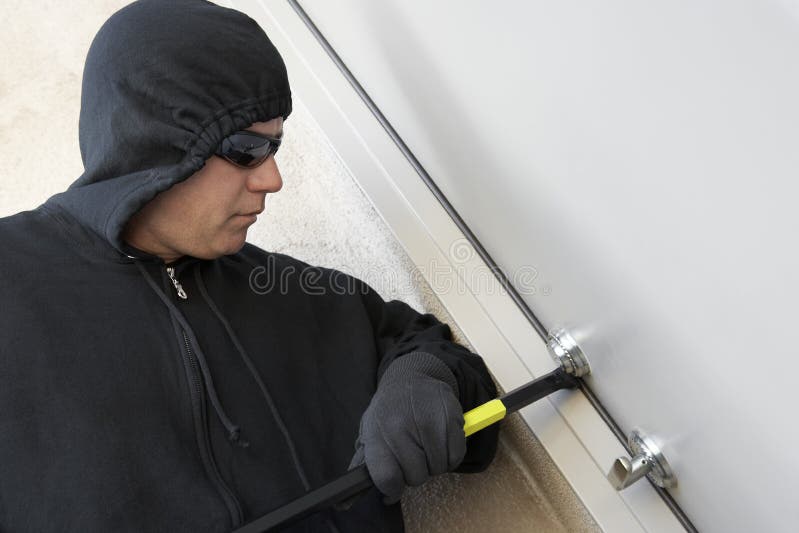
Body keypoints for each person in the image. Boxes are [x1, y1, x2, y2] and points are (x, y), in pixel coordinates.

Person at [0, 1, 499, 531]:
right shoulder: (12, 283)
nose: (272, 179)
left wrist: (424, 378)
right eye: (244, 150)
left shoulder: (293, 293)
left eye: (275, 147)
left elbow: (429, 350)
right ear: (153, 139)